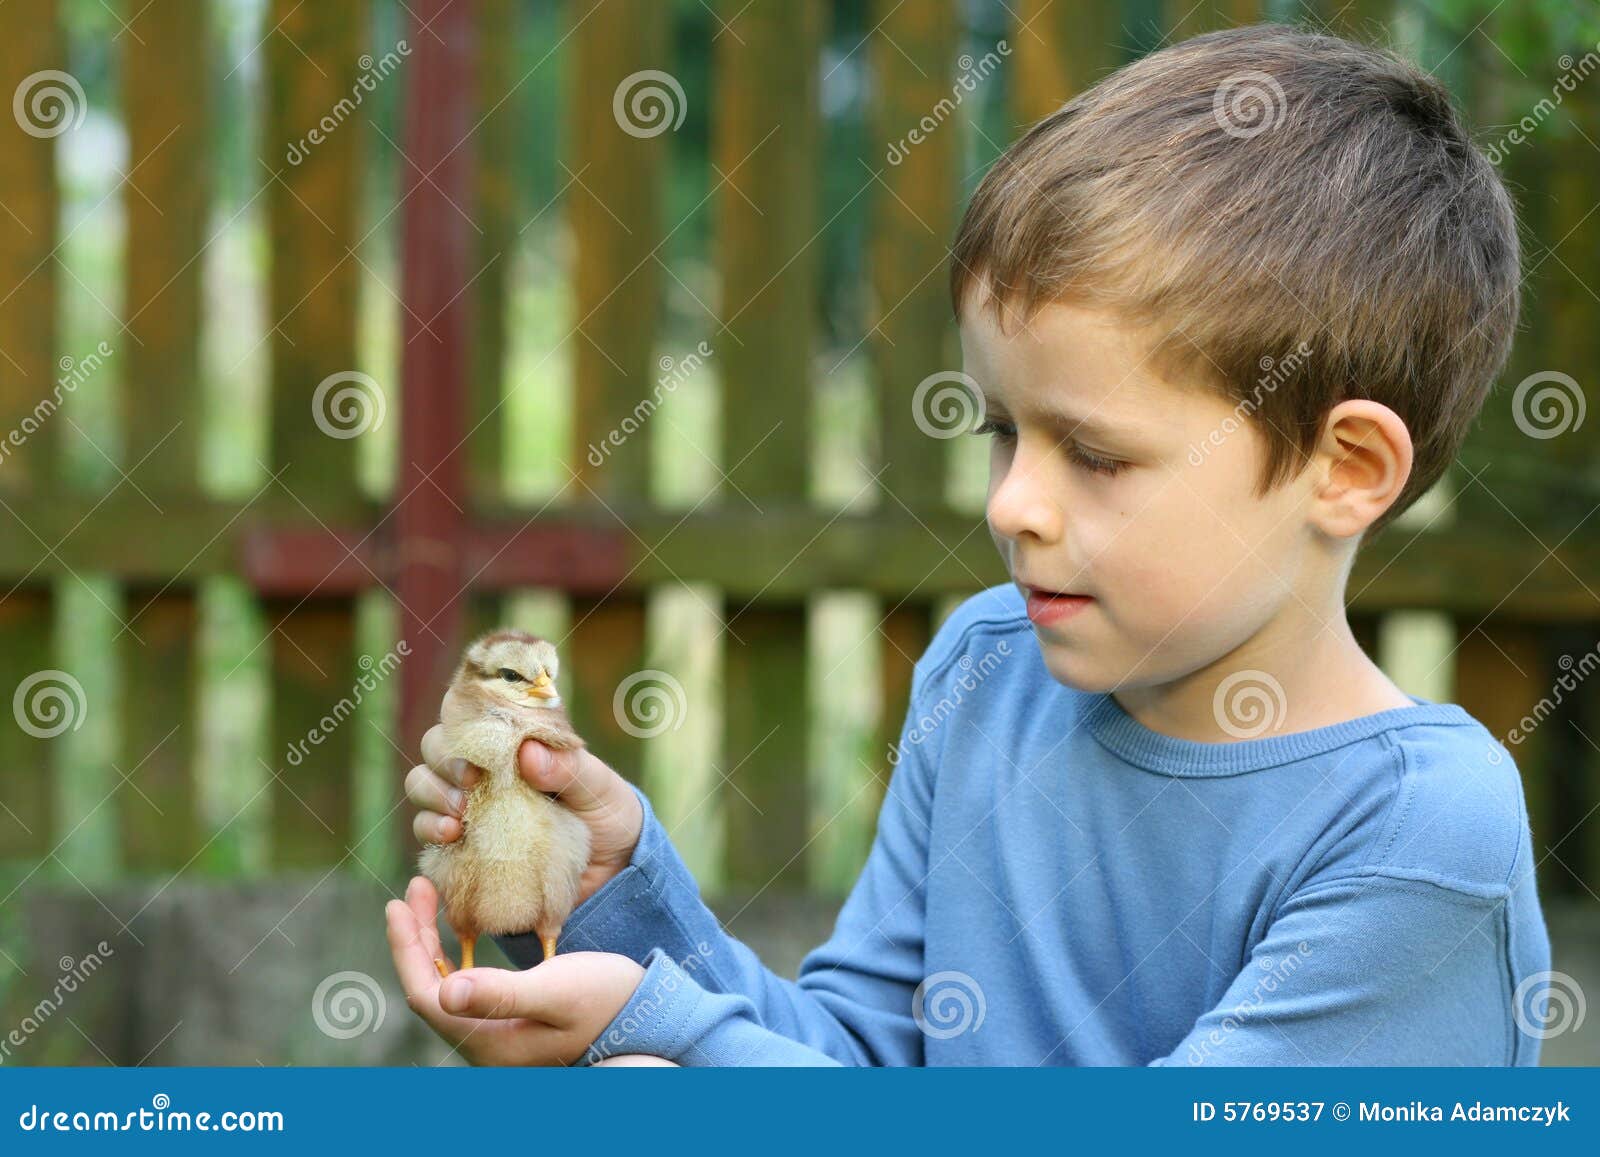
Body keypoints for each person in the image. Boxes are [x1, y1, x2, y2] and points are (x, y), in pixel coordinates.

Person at [386, 23, 1550, 1066]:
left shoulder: (1416, 830)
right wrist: (617, 899)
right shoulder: (990, 666)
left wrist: (673, 1041)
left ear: (1342, 469)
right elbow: (862, 1066)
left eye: (1095, 455)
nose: (1010, 505)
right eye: (1002, 430)